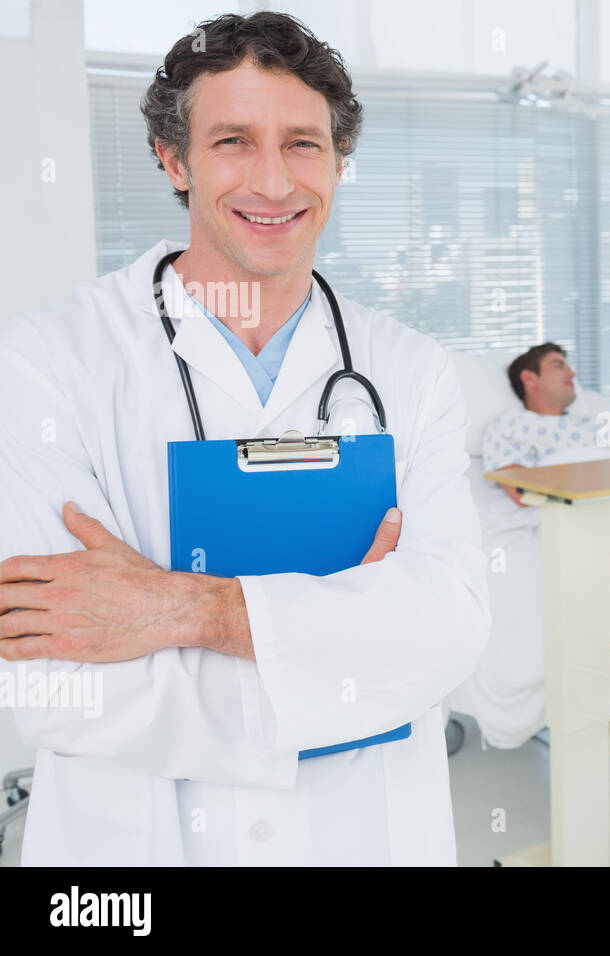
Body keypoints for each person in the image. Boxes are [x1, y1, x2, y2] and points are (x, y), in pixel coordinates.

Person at [0, 12, 489, 866]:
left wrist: (184, 610)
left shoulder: (409, 370)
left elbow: (449, 631)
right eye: (233, 140)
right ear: (174, 159)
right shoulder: (48, 360)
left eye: (302, 144)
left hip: (368, 836)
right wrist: (351, 659)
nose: (273, 181)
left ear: (339, 162)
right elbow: (49, 682)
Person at [482, 343, 608, 506]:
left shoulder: (594, 422)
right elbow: (523, 493)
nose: (572, 373)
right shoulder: (509, 427)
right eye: (558, 366)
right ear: (529, 379)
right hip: (581, 512)